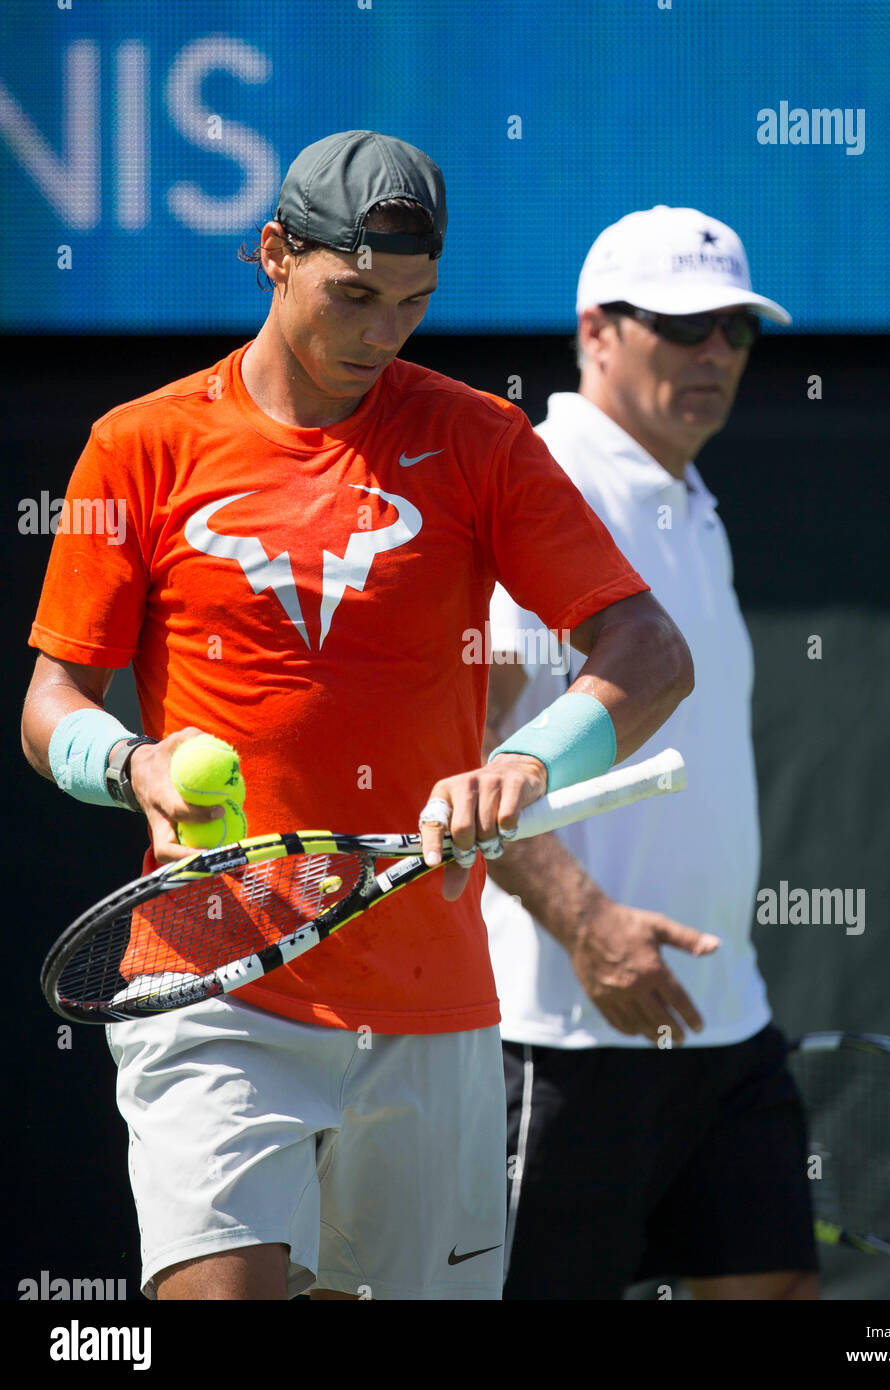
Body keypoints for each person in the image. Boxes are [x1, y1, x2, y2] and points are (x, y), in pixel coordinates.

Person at [21, 136, 696, 1302]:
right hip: (210, 981)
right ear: (275, 255)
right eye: (354, 297)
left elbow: (646, 651)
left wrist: (524, 764)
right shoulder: (137, 444)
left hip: (429, 1004)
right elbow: (49, 706)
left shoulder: (483, 439)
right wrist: (132, 763)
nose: (382, 335)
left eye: (412, 305)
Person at [482, 206, 820, 1300]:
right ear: (596, 333)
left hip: (724, 1027)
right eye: (682, 326)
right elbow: (466, 746)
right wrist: (588, 925)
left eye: (734, 329)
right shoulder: (540, 480)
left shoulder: (691, 501)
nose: (714, 352)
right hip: (559, 1036)